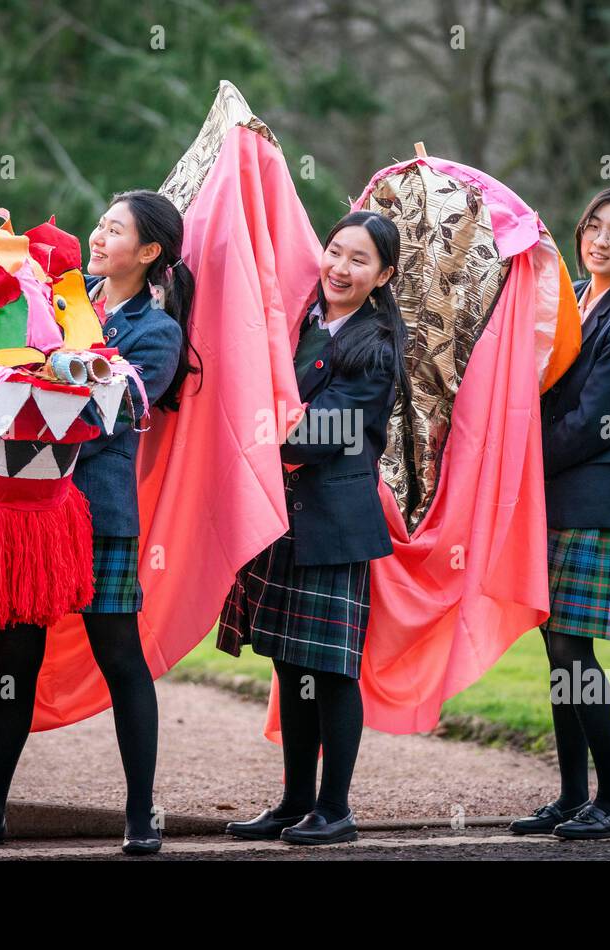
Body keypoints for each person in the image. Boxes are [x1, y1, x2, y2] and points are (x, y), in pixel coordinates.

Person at [0, 190, 194, 855]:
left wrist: (41, 383)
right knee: (14, 660)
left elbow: (112, 412)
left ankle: (141, 818)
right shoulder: (56, 303)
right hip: (28, 509)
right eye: (100, 225)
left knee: (120, 657)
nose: (97, 237)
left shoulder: (158, 332)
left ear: (150, 252)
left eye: (115, 230)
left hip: (98, 513)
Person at [218, 210, 410, 846]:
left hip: (333, 525)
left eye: (360, 260)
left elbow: (318, 436)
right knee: (288, 664)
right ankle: (294, 802)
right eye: (335, 251)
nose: (340, 268)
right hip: (280, 519)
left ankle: (335, 810)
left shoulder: (376, 349)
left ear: (383, 276)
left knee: (331, 671)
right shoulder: (295, 323)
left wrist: (249, 425)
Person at [510, 185, 610, 840]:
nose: (600, 240)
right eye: (593, 226)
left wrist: (520, 460)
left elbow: (598, 423)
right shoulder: (573, 297)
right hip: (556, 497)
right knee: (557, 648)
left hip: (593, 502)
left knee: (574, 651)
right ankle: (573, 795)